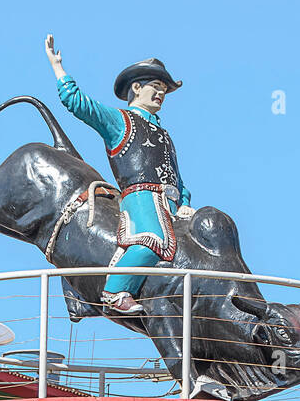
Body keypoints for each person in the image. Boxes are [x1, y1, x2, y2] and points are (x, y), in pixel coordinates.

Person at [45, 35, 195, 317]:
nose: (161, 93)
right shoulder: (120, 121)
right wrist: (58, 68)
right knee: (153, 239)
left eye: (164, 88)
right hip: (141, 197)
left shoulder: (164, 134)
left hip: (172, 203)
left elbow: (177, 176)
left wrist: (184, 200)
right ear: (137, 88)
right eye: (157, 86)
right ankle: (115, 291)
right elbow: (79, 104)